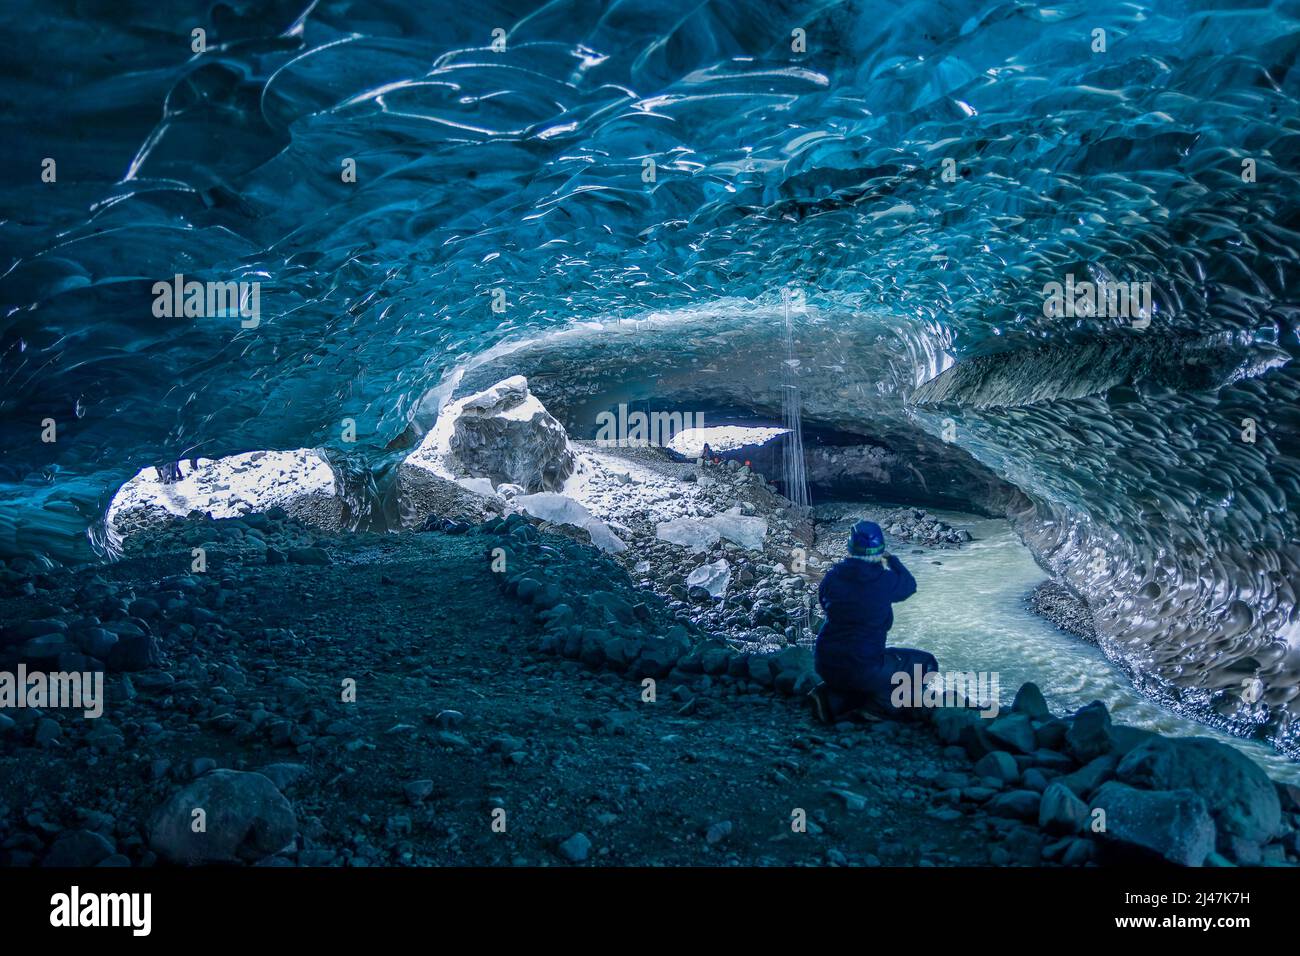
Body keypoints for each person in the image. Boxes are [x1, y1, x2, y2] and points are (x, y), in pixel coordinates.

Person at [808, 520, 937, 723]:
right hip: (863, 666)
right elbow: (910, 585)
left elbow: (824, 603)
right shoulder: (885, 580)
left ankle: (829, 697)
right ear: (880, 549)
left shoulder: (832, 577)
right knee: (926, 664)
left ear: (850, 548)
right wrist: (891, 560)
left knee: (862, 664)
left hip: (824, 662)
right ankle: (878, 708)